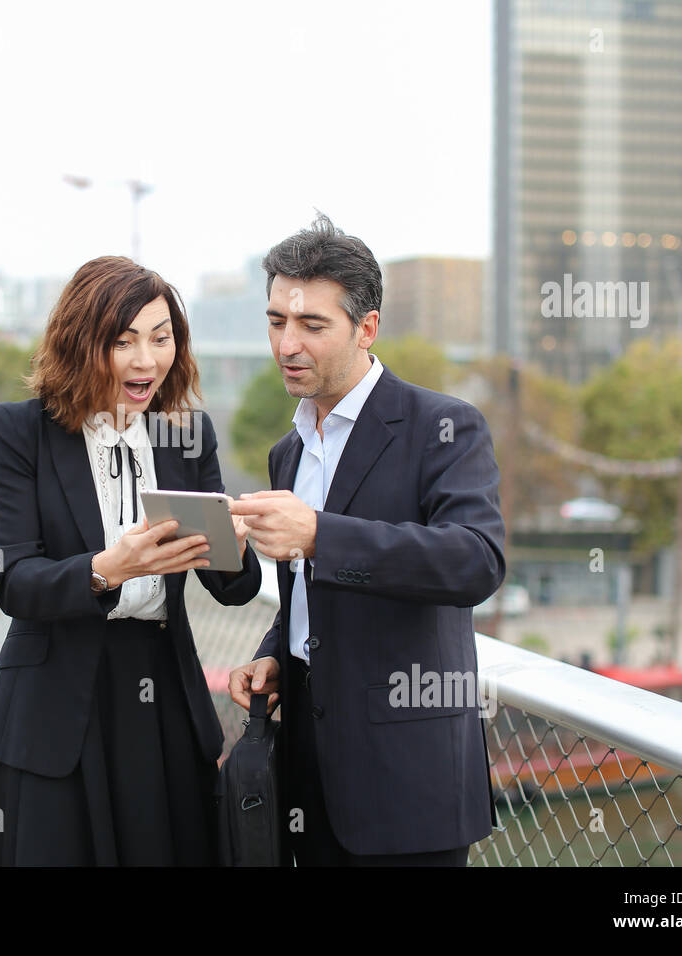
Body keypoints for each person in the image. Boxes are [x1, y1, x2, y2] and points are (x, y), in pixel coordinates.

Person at [227, 214, 506, 866]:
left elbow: (476, 562)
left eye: (312, 326)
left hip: (407, 785)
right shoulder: (287, 451)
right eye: (276, 322)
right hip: (306, 771)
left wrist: (321, 535)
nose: (287, 345)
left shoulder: (446, 425)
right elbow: (307, 593)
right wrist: (276, 650)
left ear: (367, 328)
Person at [0, 256, 263, 866]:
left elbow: (234, 591)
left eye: (161, 339)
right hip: (58, 695)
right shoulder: (20, 432)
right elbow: (15, 582)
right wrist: (108, 568)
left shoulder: (187, 435)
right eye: (122, 342)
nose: (146, 361)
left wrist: (229, 538)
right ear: (82, 343)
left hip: (162, 698)